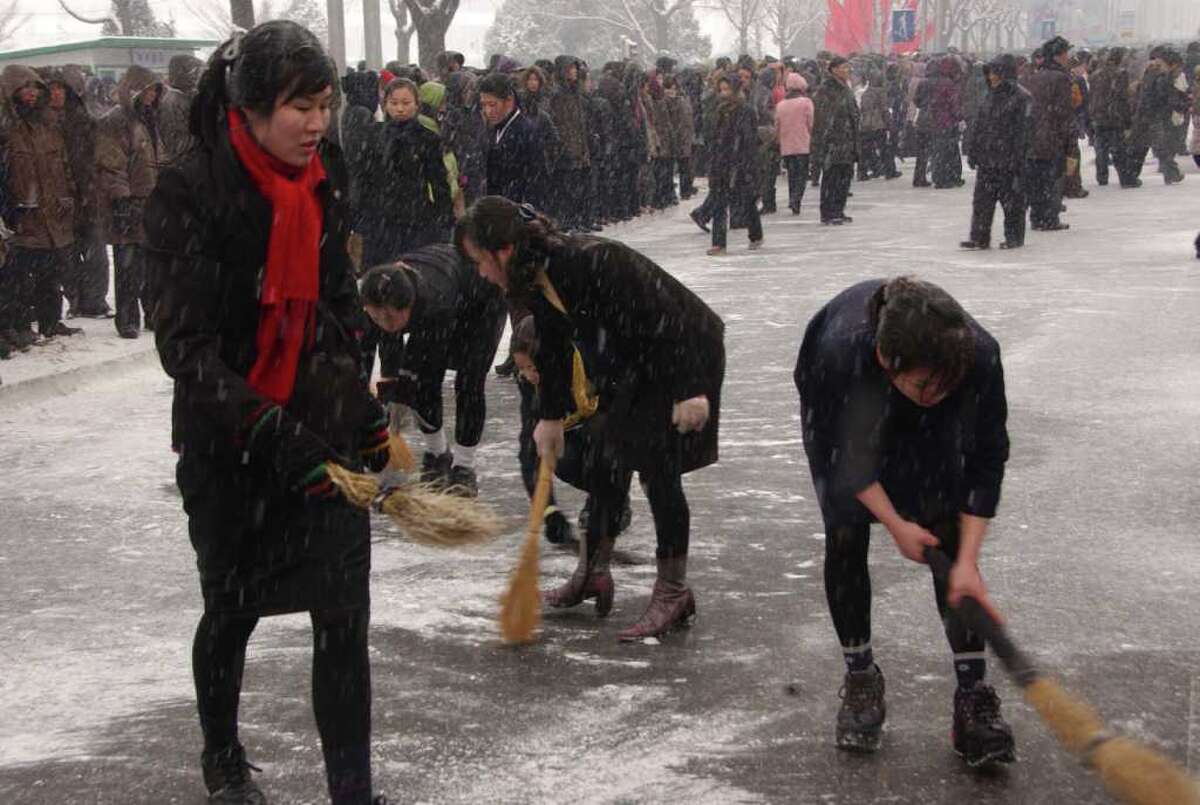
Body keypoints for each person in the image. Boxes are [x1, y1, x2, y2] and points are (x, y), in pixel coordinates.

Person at [145, 22, 391, 804]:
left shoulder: (326, 170)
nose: (316, 123)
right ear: (249, 106)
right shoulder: (191, 189)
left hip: (323, 429)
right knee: (233, 611)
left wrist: (361, 399)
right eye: (297, 106)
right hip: (233, 443)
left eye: (324, 104)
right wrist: (270, 431)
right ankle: (222, 758)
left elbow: (337, 296)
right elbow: (186, 348)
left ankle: (352, 789)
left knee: (343, 619)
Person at [455, 196, 725, 642]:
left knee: (658, 468)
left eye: (479, 261)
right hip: (631, 361)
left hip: (682, 354)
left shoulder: (588, 261)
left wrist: (689, 389)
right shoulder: (536, 277)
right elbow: (556, 348)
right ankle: (593, 572)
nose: (480, 273)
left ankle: (673, 590)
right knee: (606, 457)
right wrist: (551, 416)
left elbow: (668, 320)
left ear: (503, 251)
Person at [794, 277, 1015, 767]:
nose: (936, 394)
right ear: (886, 363)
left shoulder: (975, 357)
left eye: (945, 386)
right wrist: (895, 523)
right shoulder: (840, 355)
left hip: (924, 372)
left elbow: (988, 455)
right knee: (846, 530)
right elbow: (844, 460)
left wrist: (968, 563)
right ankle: (860, 676)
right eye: (924, 386)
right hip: (849, 410)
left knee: (946, 529)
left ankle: (972, 695)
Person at [360, 244, 506, 496]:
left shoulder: (434, 303)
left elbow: (422, 367)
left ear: (409, 306)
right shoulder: (374, 299)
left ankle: (463, 467)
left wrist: (400, 393)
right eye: (376, 318)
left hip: (481, 303)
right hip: (436, 280)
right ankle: (437, 453)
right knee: (419, 386)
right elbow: (366, 358)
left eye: (391, 319)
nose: (383, 324)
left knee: (467, 382)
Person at [0, 65, 81, 351]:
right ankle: (21, 326)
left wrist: (68, 195)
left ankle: (50, 321)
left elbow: (64, 166)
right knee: (21, 278)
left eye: (35, 87)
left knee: (51, 273)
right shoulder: (8, 129)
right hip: (24, 214)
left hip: (53, 212)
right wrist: (11, 210)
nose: (31, 93)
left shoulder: (49, 125)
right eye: (24, 88)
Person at [356, 77, 452, 268]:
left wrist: (444, 218)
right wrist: (360, 218)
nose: (400, 109)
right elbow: (362, 180)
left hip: (416, 218)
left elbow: (439, 182)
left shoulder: (427, 139)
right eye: (394, 103)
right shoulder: (372, 135)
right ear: (385, 105)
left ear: (417, 105)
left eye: (406, 103)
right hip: (380, 220)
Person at [97, 64, 164, 338]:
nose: (152, 95)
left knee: (151, 265)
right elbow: (112, 162)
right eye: (148, 89)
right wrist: (121, 199)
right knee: (128, 265)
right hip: (128, 202)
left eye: (155, 90)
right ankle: (127, 319)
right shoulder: (117, 120)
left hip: (150, 200)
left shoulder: (149, 119)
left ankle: (152, 313)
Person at [961, 55, 1032, 250]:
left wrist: (1018, 158)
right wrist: (973, 150)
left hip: (1008, 159)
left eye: (994, 73)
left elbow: (1024, 132)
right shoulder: (990, 95)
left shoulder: (1021, 97)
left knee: (1012, 202)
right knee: (982, 201)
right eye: (990, 73)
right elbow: (980, 126)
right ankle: (979, 236)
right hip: (988, 158)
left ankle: (1014, 237)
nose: (991, 77)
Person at [706, 73, 762, 256]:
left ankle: (755, 234)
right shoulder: (717, 110)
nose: (723, 93)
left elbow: (750, 140)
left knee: (747, 202)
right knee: (719, 204)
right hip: (721, 163)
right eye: (721, 89)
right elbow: (713, 137)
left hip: (739, 163)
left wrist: (747, 165)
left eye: (727, 89)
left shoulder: (746, 111)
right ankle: (719, 243)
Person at [1025, 37, 1074, 232]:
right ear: (1059, 56)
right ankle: (1049, 217)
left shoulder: (1034, 76)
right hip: (1052, 135)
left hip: (1034, 135)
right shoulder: (1061, 78)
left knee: (1037, 179)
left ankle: (1037, 216)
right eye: (1066, 53)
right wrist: (1068, 138)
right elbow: (1064, 112)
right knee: (1052, 178)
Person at [812, 57, 860, 225]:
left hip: (847, 140)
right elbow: (822, 118)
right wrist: (826, 139)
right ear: (833, 70)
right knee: (831, 177)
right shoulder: (826, 90)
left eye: (848, 68)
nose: (847, 71)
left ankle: (838, 210)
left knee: (844, 177)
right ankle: (828, 212)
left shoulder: (845, 89)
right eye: (844, 68)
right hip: (833, 141)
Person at [1088, 48, 1139, 188]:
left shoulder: (1095, 74)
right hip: (1114, 116)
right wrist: (1128, 122)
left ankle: (1102, 177)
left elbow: (1092, 96)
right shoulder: (1120, 74)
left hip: (1098, 116)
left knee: (1101, 149)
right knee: (1119, 149)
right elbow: (1122, 99)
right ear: (1121, 58)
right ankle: (1126, 179)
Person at [774, 72, 814, 215]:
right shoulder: (806, 102)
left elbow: (777, 125)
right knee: (802, 175)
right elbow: (810, 123)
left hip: (787, 146)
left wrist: (779, 141)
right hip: (802, 144)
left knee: (792, 174)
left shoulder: (780, 105)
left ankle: (792, 197)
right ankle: (796, 199)